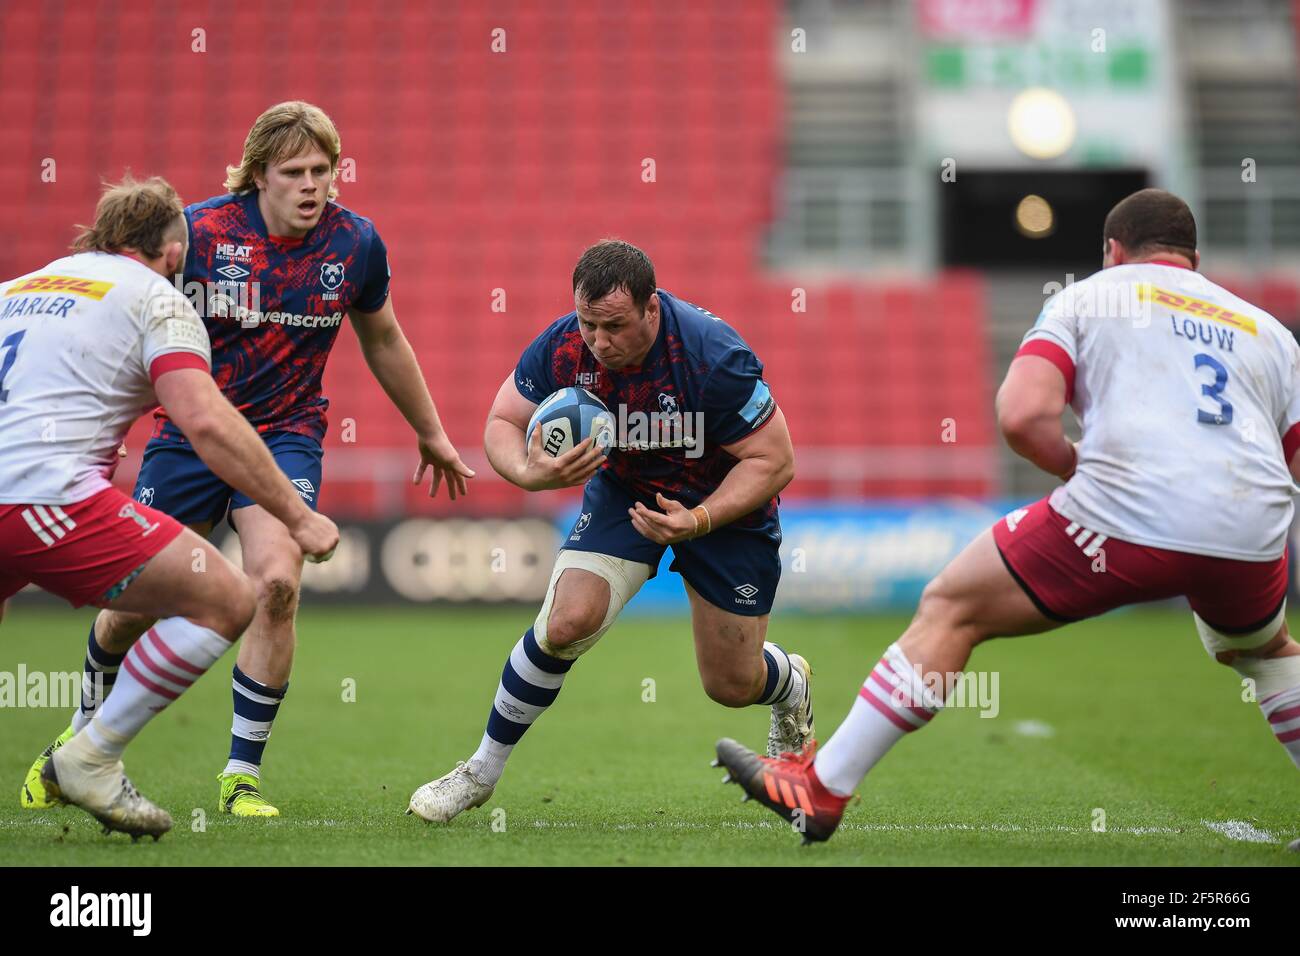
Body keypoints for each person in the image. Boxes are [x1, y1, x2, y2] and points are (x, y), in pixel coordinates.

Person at [716, 188, 1300, 846]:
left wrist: (1075, 467)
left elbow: (1023, 418)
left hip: (1129, 510)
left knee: (953, 607)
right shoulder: (1268, 332)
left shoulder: (1088, 297)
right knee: (1266, 652)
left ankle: (821, 790)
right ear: (1195, 257)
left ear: (1113, 251)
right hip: (1253, 528)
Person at [21, 101, 474, 818]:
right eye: (294, 171)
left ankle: (240, 776)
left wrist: (431, 432)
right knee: (131, 604)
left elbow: (382, 337)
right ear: (257, 173)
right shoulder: (198, 233)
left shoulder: (355, 244)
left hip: (286, 434)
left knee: (275, 585)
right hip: (191, 432)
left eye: (322, 170)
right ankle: (82, 736)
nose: (311, 185)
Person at [408, 238, 811, 822]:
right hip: (628, 495)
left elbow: (775, 461)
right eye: (588, 323)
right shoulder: (565, 345)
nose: (599, 342)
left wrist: (697, 520)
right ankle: (479, 772)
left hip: (727, 513)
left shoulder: (711, 356)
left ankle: (790, 685)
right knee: (565, 622)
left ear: (651, 309)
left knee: (730, 684)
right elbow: (502, 420)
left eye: (614, 326)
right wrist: (530, 472)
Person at [1, 176, 338, 839]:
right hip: (42, 495)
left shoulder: (19, 288)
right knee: (229, 600)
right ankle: (91, 757)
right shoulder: (156, 296)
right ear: (176, 251)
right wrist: (296, 515)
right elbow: (206, 422)